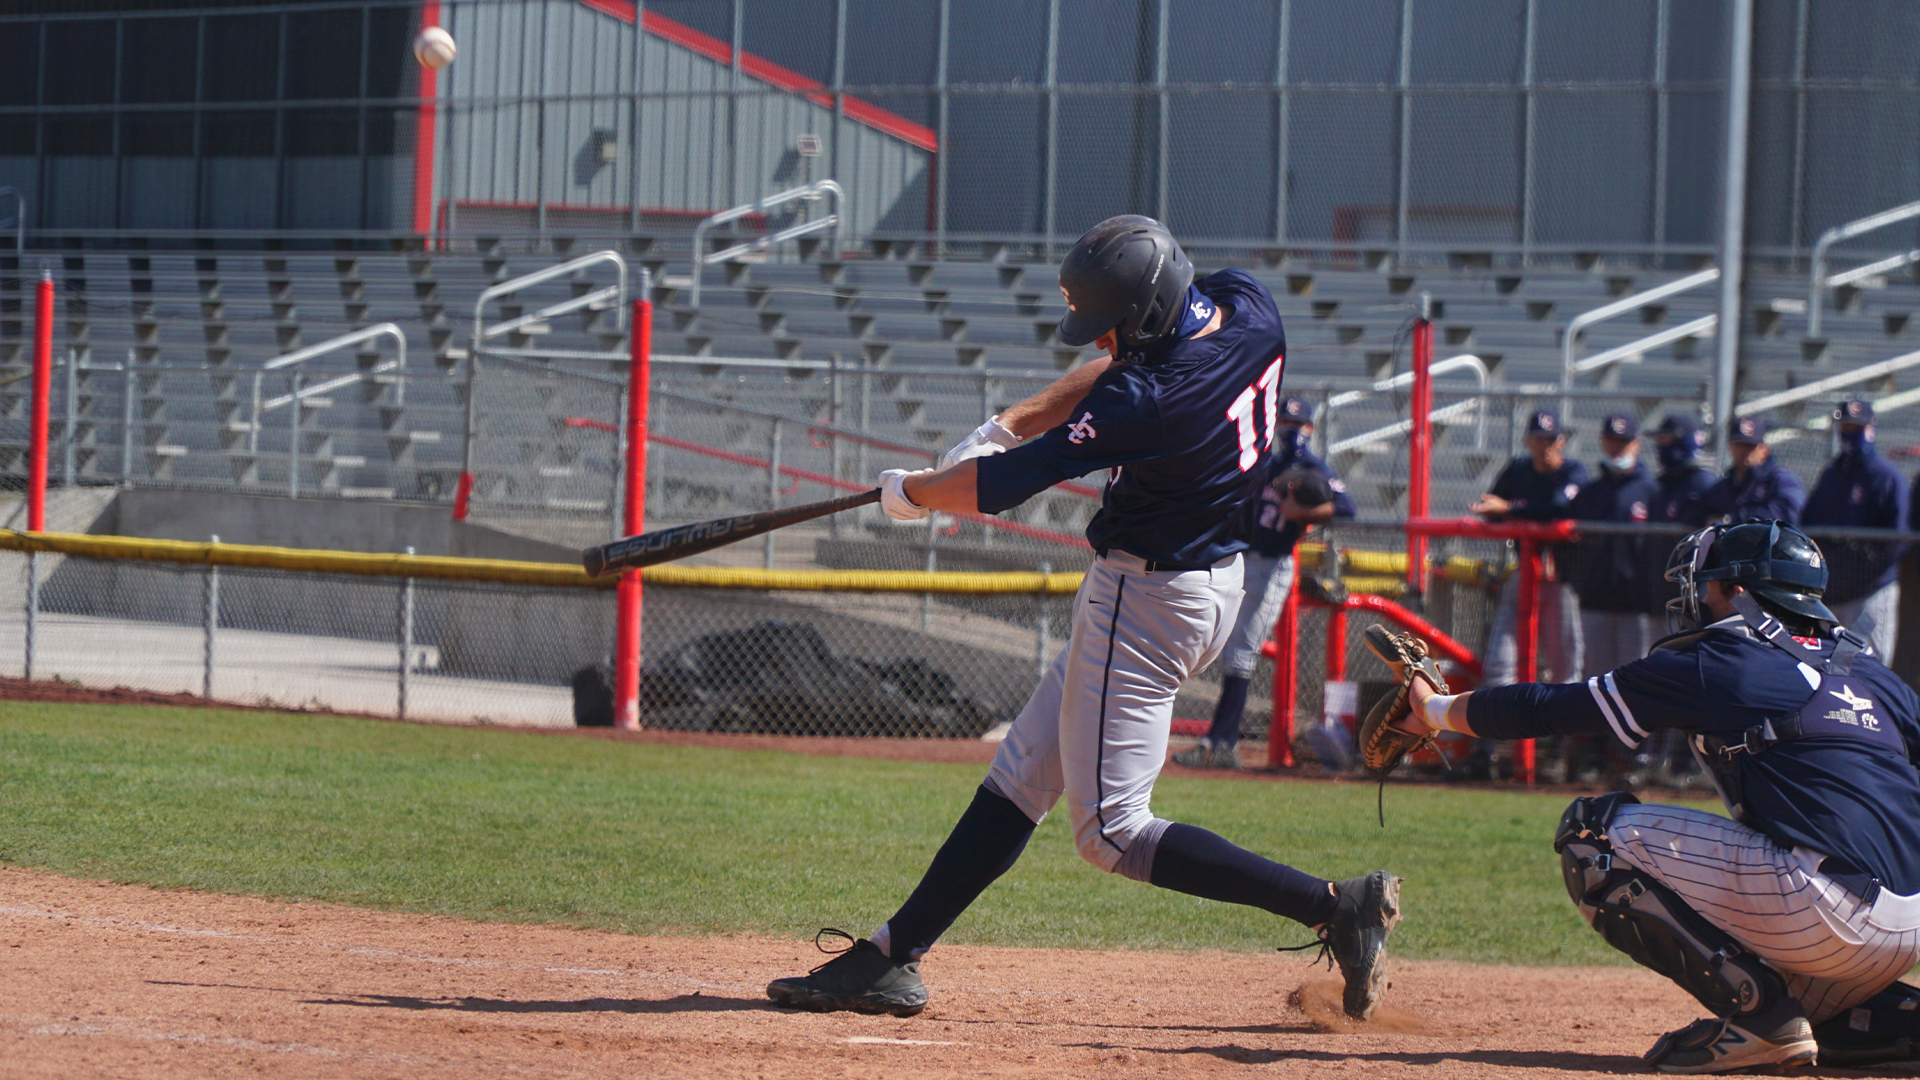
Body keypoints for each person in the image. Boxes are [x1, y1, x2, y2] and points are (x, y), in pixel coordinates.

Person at [764, 215, 1402, 1022]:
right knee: (1022, 775)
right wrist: (1005, 424)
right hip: (1210, 584)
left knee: (1110, 832)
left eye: (1110, 327)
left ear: (1144, 316)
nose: (1102, 343)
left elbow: (999, 489)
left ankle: (1334, 905)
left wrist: (915, 492)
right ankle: (893, 955)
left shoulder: (1153, 400)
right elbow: (1109, 371)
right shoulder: (1249, 307)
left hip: (1145, 602)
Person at [1388, 520, 1920, 1073]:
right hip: (1908, 930)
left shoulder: (1722, 657)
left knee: (1590, 834)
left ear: (1737, 591)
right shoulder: (1872, 674)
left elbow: (1552, 706)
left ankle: (1762, 1020)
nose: (1694, 596)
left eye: (1706, 583)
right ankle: (1889, 1021)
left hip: (1822, 913)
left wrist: (1434, 710)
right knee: (1822, 1011)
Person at [1175, 394, 1356, 771]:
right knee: (1220, 646)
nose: (1289, 432)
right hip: (1244, 560)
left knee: (1240, 652)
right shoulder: (1269, 464)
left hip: (1273, 564)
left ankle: (1220, 742)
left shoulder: (1310, 465)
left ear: (1310, 428)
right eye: (1284, 424)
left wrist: (1301, 512)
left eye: (1297, 425)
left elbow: (1345, 507)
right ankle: (1219, 742)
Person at [1560, 413, 1660, 784]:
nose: (1617, 448)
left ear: (1636, 444)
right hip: (1595, 601)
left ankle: (1633, 760)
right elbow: (1567, 544)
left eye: (1624, 442)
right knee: (1598, 682)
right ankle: (1594, 757)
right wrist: (1576, 580)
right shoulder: (1590, 493)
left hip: (1637, 607)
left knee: (1636, 683)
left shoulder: (1651, 491)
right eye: (1611, 441)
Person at [1802, 399, 1906, 661]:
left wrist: (1868, 564)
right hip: (1832, 590)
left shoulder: (1885, 476)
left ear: (1871, 428)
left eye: (1856, 427)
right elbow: (1809, 520)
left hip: (1870, 592)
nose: (1849, 432)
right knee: (1828, 664)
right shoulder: (1832, 473)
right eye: (1845, 425)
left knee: (1868, 664)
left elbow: (1899, 535)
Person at [1704, 416, 1804, 526]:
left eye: (1750, 446)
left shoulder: (1781, 481)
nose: (1744, 452)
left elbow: (1788, 514)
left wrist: (1733, 520)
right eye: (1739, 445)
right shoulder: (1724, 486)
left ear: (1764, 450)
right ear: (1730, 447)